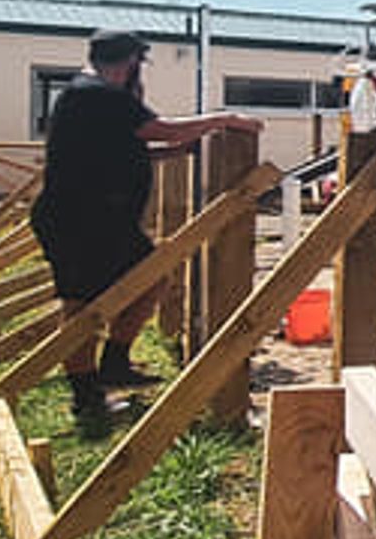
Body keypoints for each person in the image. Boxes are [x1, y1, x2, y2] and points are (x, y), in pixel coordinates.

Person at [31, 28, 261, 430]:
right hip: (82, 220)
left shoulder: (88, 94)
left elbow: (136, 146)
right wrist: (222, 119)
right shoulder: (98, 95)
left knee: (147, 280)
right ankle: (89, 396)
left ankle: (111, 366)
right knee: (84, 305)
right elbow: (163, 129)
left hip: (95, 218)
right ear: (130, 62)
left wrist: (181, 149)